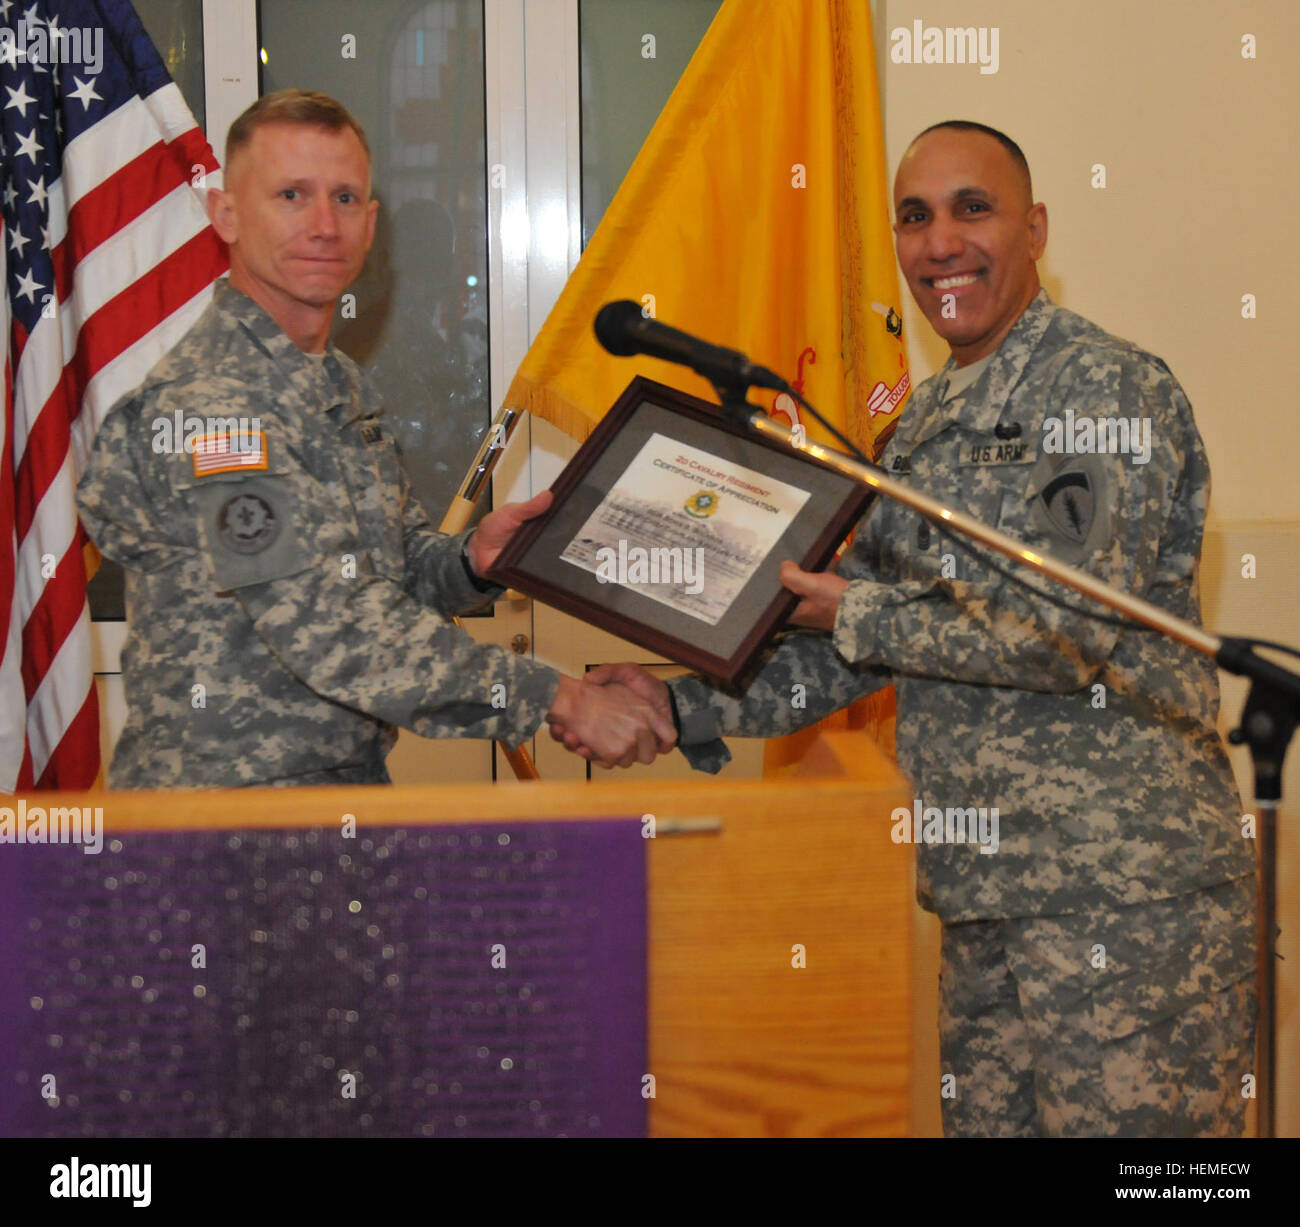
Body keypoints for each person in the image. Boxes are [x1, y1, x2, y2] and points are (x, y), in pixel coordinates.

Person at [566, 121, 1257, 1137]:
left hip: (1124, 901)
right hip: (982, 898)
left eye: (971, 209)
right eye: (914, 216)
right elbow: (857, 650)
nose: (940, 243)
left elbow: (1064, 633)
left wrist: (856, 607)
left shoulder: (1101, 389)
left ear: (1034, 230)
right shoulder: (926, 423)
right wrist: (674, 704)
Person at [77, 89, 674, 788]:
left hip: (336, 798)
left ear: (371, 224)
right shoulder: (215, 410)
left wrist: (471, 562)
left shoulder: (339, 385)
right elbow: (331, 627)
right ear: (227, 215)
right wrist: (557, 695)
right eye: (292, 195)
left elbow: (383, 574)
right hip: (225, 826)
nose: (324, 225)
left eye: (345, 198)